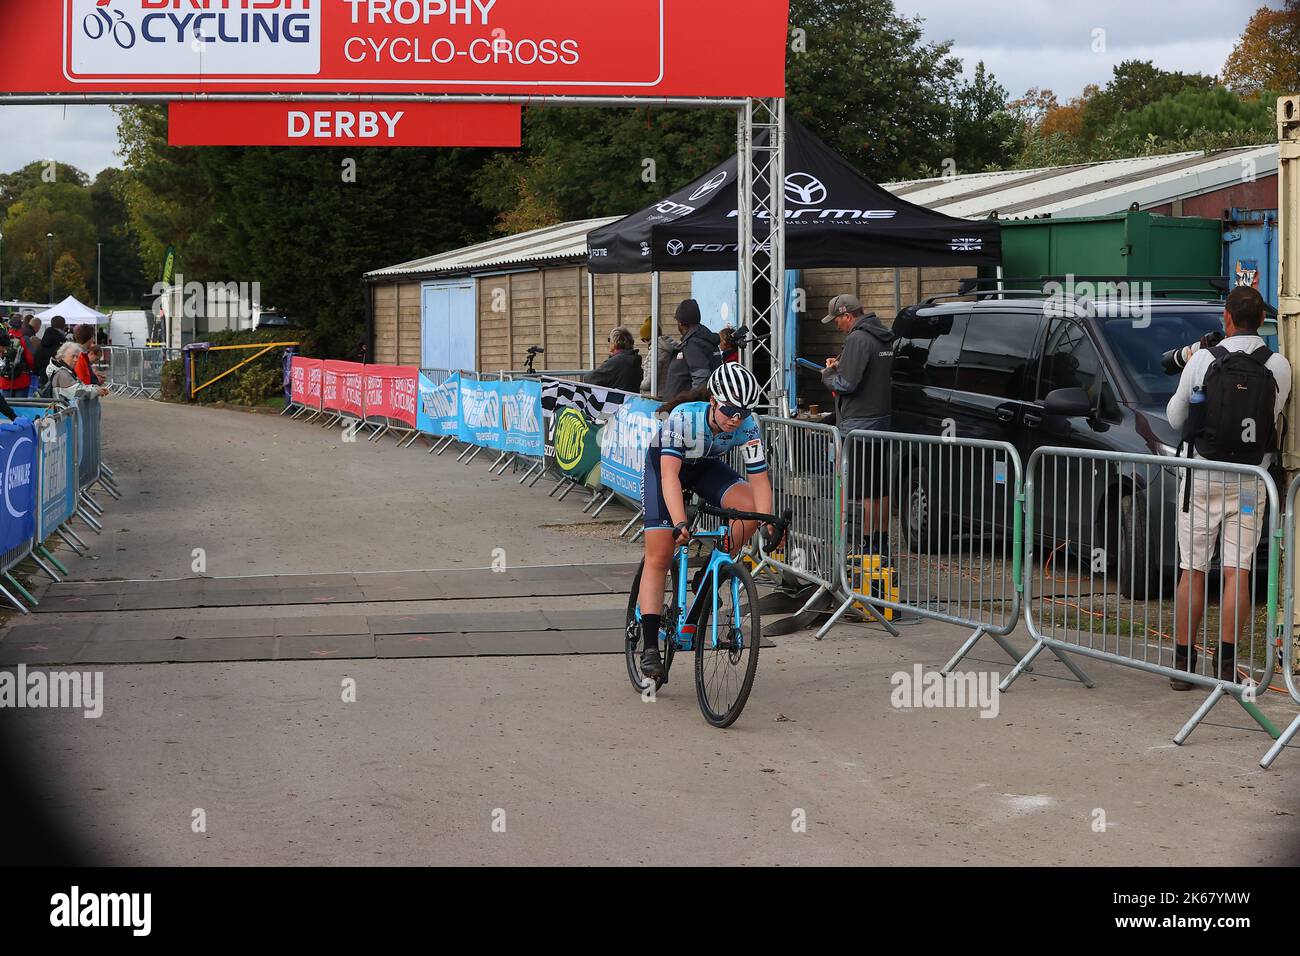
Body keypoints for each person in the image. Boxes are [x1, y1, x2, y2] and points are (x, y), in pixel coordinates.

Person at [1165, 285, 1290, 691]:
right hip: (1251, 481)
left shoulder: (1202, 359)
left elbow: (1174, 417)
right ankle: (1227, 660)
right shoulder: (1279, 365)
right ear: (1263, 320)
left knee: (1193, 569)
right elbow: (1273, 417)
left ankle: (1184, 662)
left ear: (1227, 318)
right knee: (1239, 570)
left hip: (1201, 477)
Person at [635, 363, 774, 678]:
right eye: (729, 411)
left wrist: (767, 522)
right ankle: (650, 647)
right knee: (659, 554)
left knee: (749, 509)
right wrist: (680, 523)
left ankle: (712, 568)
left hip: (705, 467)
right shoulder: (684, 418)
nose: (735, 419)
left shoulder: (748, 426)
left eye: (742, 412)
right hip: (666, 469)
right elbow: (670, 475)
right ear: (713, 401)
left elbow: (760, 481)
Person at [821, 293, 896, 555]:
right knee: (881, 488)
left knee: (865, 490)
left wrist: (829, 374)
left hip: (859, 426)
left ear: (848, 316)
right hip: (882, 422)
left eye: (837, 320)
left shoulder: (857, 338)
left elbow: (847, 384)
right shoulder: (882, 334)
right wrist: (841, 366)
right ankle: (881, 541)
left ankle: (866, 546)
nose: (836, 325)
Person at [663, 299, 721, 397]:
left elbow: (701, 378)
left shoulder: (692, 343)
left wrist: (690, 403)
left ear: (681, 323)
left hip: (683, 409)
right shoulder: (706, 340)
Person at [587, 327, 643, 393]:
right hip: (631, 402)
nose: (609, 343)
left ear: (614, 342)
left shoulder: (616, 362)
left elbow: (589, 378)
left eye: (609, 340)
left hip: (617, 402)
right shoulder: (635, 360)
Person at [0, 315, 35, 398]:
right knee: (20, 407)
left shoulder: (3, 338)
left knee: (6, 406)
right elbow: (30, 359)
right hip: (21, 379)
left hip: (5, 378)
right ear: (21, 326)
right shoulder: (24, 339)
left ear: (9, 325)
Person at [33, 315, 68, 390]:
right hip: (58, 378)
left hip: (43, 375)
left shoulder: (44, 340)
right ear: (63, 326)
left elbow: (37, 357)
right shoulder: (61, 343)